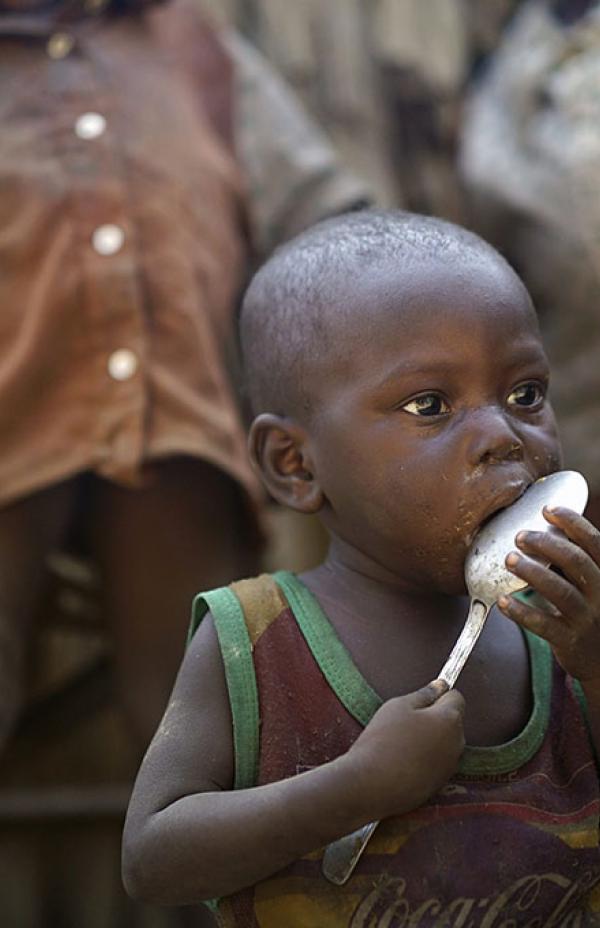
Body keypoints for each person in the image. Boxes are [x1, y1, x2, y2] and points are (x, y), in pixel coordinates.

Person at [122, 209, 600, 926]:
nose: (503, 436)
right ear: (296, 464)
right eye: (430, 404)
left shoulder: (565, 631)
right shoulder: (253, 641)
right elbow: (153, 859)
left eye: (525, 393)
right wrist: (351, 789)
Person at [0, 0, 369, 750]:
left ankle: (202, 845)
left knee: (204, 713)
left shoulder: (191, 40)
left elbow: (321, 208)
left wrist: (386, 266)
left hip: (182, 424)